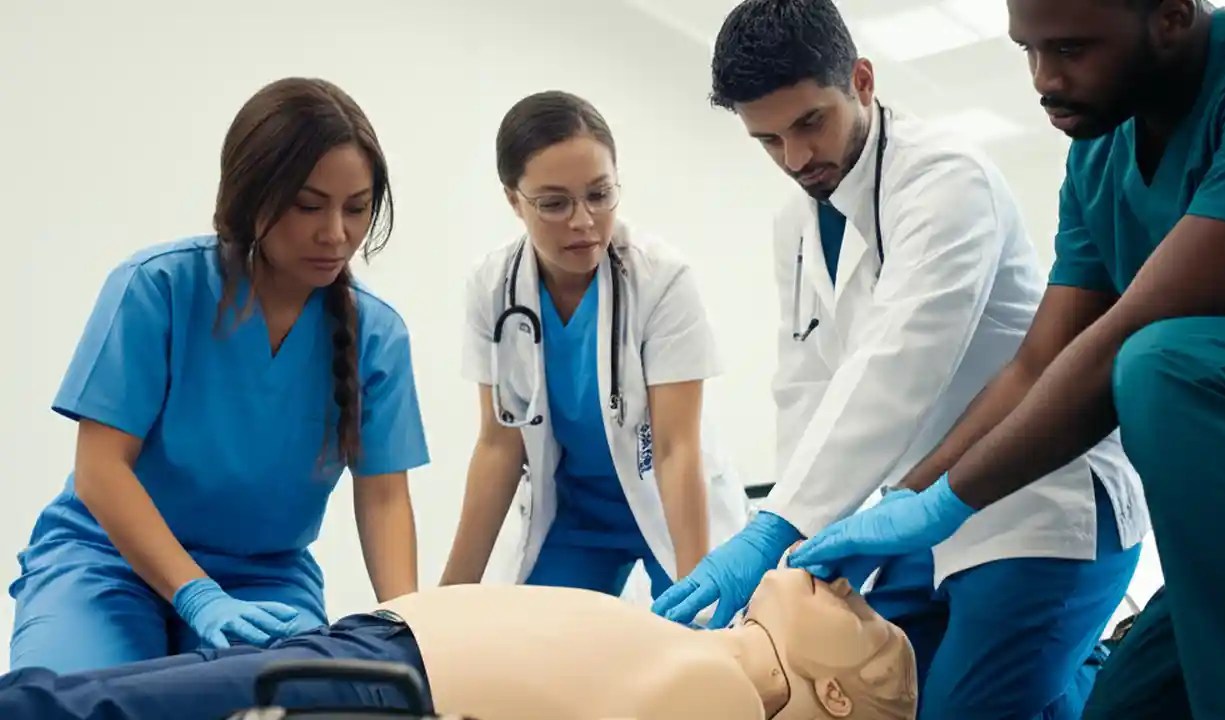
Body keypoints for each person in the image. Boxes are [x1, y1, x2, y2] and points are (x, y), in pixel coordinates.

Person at [783, 1, 1225, 718]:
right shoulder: (1100, 150)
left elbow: (1134, 329)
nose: (1044, 79)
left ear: (1171, 16)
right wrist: (908, 501)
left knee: (1159, 361)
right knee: (1126, 707)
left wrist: (947, 502)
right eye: (1029, 50)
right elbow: (1035, 364)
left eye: (1072, 48)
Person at [654, 1, 1150, 717]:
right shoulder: (796, 224)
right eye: (767, 140)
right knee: (877, 698)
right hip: (912, 516)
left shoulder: (947, 179)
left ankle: (1093, 666)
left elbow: (899, 362)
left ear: (860, 81)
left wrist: (778, 527)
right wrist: (799, 547)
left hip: (1037, 504)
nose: (796, 160)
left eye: (809, 123)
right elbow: (808, 387)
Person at [7, 77, 429, 675]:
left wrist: (403, 632)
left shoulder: (378, 336)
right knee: (71, 700)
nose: (336, 233)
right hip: (104, 559)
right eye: (308, 206)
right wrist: (197, 595)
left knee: (292, 699)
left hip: (266, 579)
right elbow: (100, 470)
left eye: (357, 208)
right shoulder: (157, 287)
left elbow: (384, 497)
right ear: (252, 193)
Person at [438, 90, 749, 598]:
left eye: (600, 195)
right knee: (536, 651)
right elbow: (499, 445)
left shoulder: (661, 279)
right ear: (514, 201)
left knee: (693, 640)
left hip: (667, 500)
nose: (583, 221)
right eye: (554, 203)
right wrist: (447, 598)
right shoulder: (493, 287)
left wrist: (699, 591)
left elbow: (675, 449)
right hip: (575, 511)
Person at [0, 565, 918, 720]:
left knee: (98, 709)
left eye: (870, 627)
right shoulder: (703, 649)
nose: (848, 587)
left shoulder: (718, 697)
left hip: (391, 681)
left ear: (833, 696)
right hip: (381, 648)